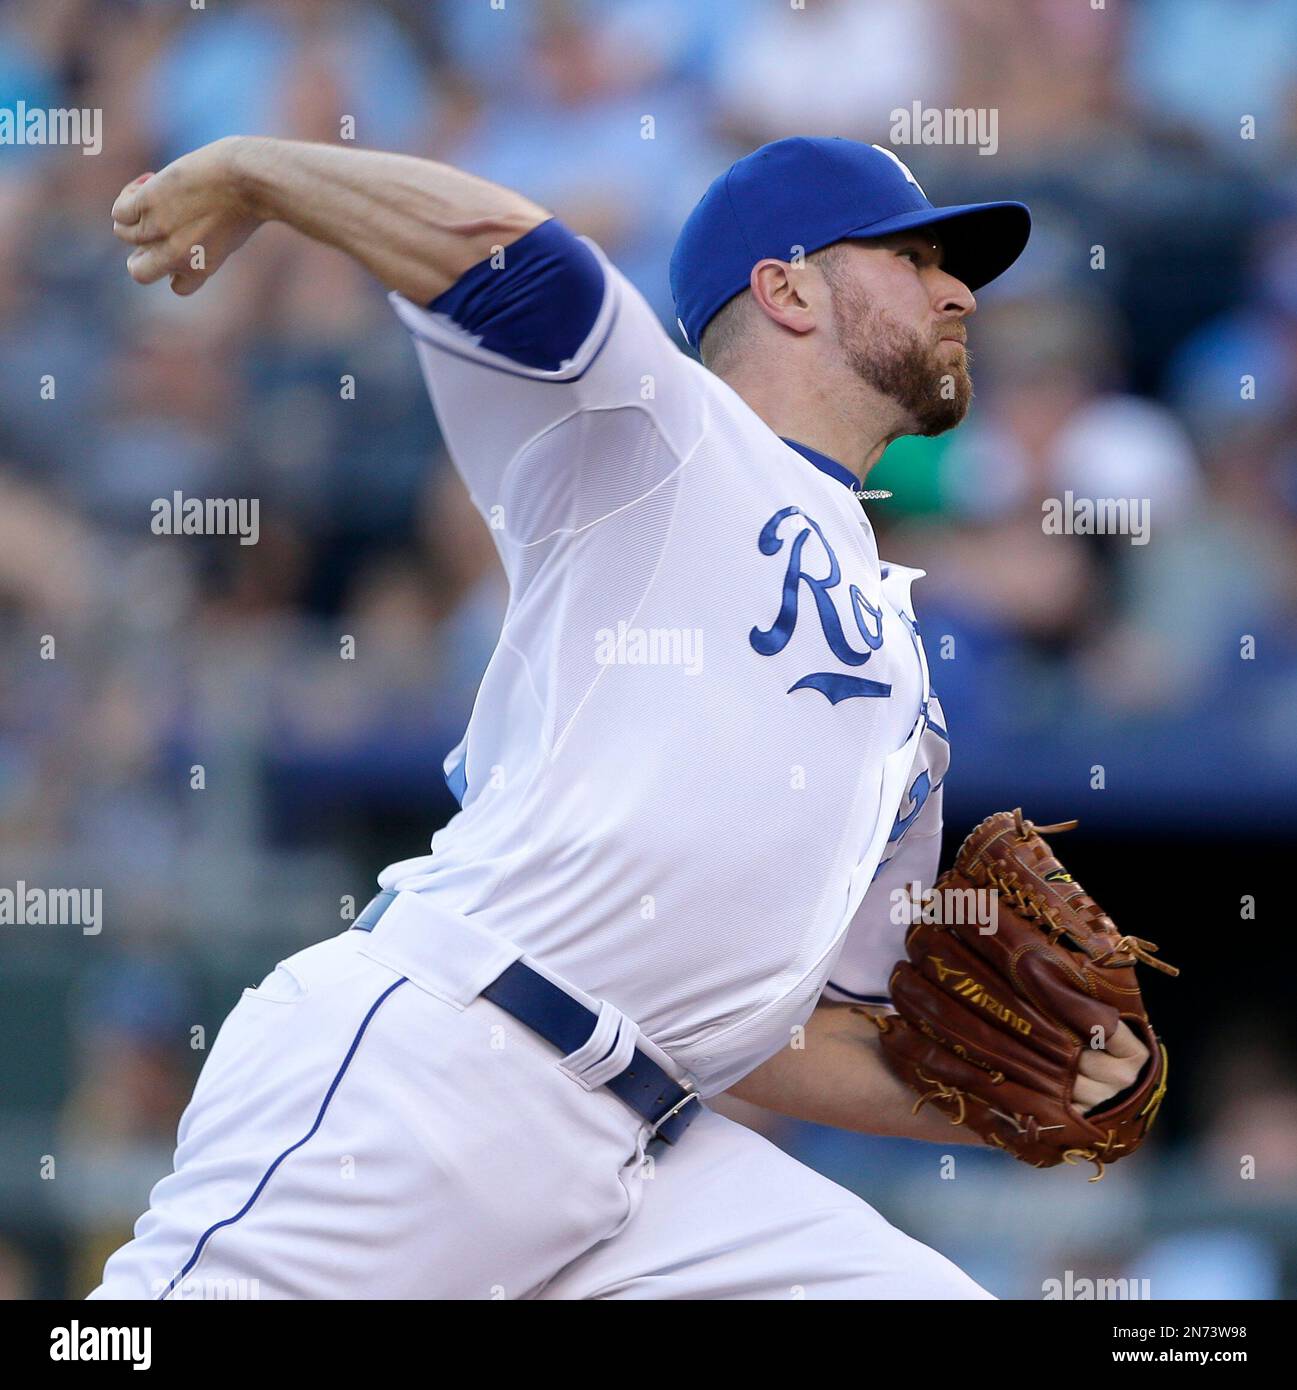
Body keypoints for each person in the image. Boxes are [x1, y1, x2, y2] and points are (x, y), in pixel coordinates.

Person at [93, 133, 1142, 1300]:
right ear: (784, 285)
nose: (958, 291)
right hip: (442, 1064)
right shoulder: (656, 431)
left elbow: (796, 1033)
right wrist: (259, 171)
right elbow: (518, 257)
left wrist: (1029, 1094)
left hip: (646, 1152)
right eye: (914, 258)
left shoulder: (902, 675)